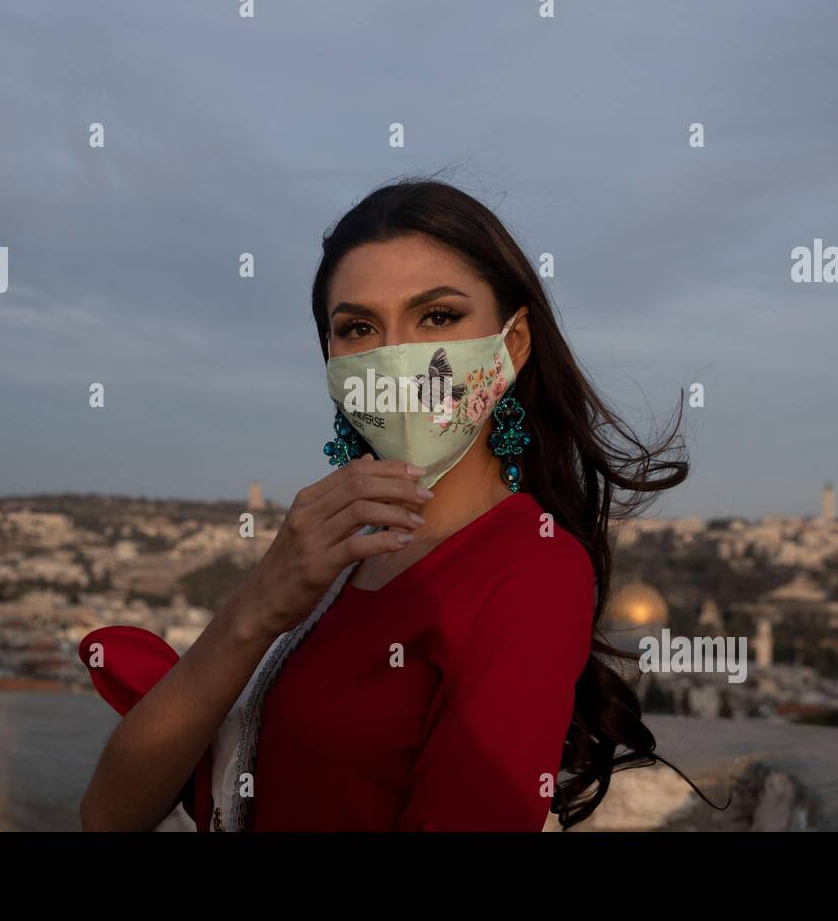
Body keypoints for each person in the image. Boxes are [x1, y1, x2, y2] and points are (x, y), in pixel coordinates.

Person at [80, 177, 690, 831]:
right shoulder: (340, 555)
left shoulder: (529, 569)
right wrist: (256, 607)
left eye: (437, 316)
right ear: (331, 359)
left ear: (512, 345)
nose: (398, 358)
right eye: (359, 327)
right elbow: (110, 816)